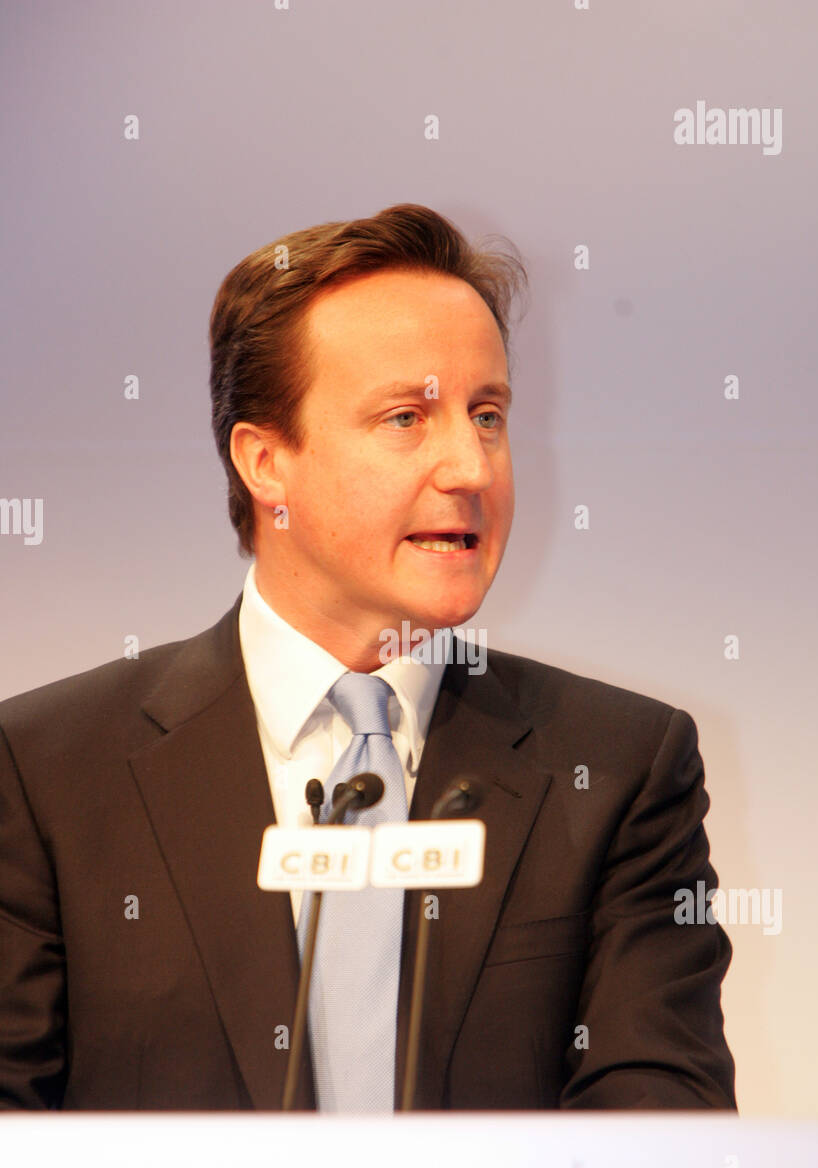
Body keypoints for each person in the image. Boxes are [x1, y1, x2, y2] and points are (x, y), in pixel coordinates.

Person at [0, 204, 736, 1112]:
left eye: (489, 414)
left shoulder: (622, 767)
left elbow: (662, 1146)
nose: (470, 466)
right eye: (406, 417)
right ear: (266, 461)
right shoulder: (45, 772)